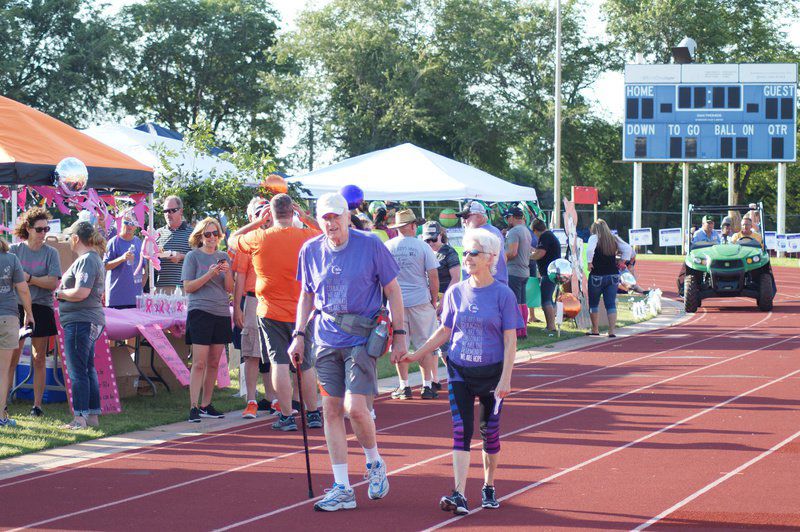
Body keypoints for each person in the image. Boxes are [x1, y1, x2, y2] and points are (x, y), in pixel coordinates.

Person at [290, 192, 407, 512]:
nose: (331, 223)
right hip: (326, 339)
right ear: (318, 220)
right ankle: (342, 487)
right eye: (325, 218)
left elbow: (393, 291)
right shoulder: (310, 250)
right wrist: (298, 335)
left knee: (355, 409)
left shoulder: (370, 244)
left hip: (361, 338)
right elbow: (306, 296)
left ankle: (374, 463)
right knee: (330, 410)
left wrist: (399, 335)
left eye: (336, 217)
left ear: (347, 216)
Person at [401, 228, 522, 515]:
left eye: (473, 253)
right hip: (458, 371)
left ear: (491, 257)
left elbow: (510, 340)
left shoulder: (503, 295)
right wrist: (417, 354)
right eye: (465, 252)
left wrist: (506, 377)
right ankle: (458, 493)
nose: (467, 258)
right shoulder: (456, 292)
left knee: (489, 433)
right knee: (460, 431)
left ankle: (489, 486)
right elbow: (445, 330)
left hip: (492, 375)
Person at [229, 194, 323, 431]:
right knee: (306, 362)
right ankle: (312, 413)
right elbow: (327, 232)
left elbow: (232, 239)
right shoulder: (306, 235)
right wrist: (307, 217)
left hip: (270, 309)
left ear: (270, 213)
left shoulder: (259, 236)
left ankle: (287, 416)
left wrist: (258, 222)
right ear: (293, 212)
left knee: (279, 362)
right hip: (302, 310)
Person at [8, 207, 61, 417]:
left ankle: (37, 405)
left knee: (40, 358)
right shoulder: (14, 250)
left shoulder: (51, 252)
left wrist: (29, 279)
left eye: (46, 229)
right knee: (12, 356)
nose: (43, 233)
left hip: (41, 307)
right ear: (28, 229)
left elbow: (52, 283)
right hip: (17, 306)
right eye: (39, 229)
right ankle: (4, 402)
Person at [54, 221, 106, 430]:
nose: (68, 242)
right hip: (88, 319)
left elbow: (81, 292)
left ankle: (80, 418)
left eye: (69, 238)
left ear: (76, 238)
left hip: (80, 321)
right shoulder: (93, 259)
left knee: (78, 371)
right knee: (87, 369)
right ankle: (91, 415)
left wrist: (59, 293)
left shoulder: (86, 260)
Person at [182, 217, 234, 423]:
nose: (212, 238)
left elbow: (229, 288)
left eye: (215, 233)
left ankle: (206, 404)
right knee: (199, 362)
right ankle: (193, 406)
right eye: (208, 234)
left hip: (221, 312)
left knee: (214, 361)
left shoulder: (224, 257)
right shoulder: (193, 257)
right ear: (200, 236)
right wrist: (210, 274)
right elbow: (188, 287)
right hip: (200, 312)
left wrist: (227, 273)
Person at [385, 209, 440, 400]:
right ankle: (426, 385)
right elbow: (433, 275)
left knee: (399, 343)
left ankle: (404, 386)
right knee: (424, 343)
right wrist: (434, 298)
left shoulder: (388, 246)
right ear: (413, 226)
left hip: (396, 302)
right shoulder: (423, 247)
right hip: (420, 300)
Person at [231, 198, 277, 419]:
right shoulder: (248, 241)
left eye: (267, 212)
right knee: (251, 353)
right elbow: (240, 277)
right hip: (252, 300)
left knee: (273, 354)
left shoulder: (279, 236)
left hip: (275, 300)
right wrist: (237, 307)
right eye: (260, 213)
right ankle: (251, 400)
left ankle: (274, 398)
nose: (265, 217)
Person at [0, 237, 34, 428]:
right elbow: (23, 290)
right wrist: (29, 314)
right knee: (3, 372)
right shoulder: (11, 259)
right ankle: (1, 417)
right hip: (8, 317)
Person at [586, 219, 632, 338]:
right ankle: (611, 331)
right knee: (611, 304)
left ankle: (595, 329)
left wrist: (589, 262)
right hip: (613, 275)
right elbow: (628, 249)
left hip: (597, 275)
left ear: (594, 229)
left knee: (593, 304)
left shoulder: (594, 238)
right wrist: (623, 260)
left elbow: (590, 249)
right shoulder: (613, 238)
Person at [423, 220, 460, 369]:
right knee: (433, 339)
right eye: (427, 240)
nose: (431, 242)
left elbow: (456, 278)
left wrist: (444, 301)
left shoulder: (449, 252)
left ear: (441, 235)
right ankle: (438, 378)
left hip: (446, 299)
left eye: (433, 239)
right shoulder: (425, 251)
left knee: (445, 337)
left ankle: (454, 372)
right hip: (429, 301)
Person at [457, 201, 508, 284]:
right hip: (495, 284)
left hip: (485, 286)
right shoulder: (494, 231)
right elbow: (504, 258)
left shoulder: (480, 234)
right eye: (462, 217)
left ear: (479, 217)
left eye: (466, 216)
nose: (463, 221)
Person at [103, 212, 145, 309]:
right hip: (116, 299)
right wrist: (122, 258)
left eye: (133, 224)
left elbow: (144, 267)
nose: (130, 227)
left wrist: (140, 286)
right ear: (120, 223)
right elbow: (105, 265)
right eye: (127, 223)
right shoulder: (113, 242)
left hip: (135, 299)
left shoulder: (139, 242)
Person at [503, 207, 532, 340]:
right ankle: (523, 330)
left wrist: (499, 256)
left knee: (515, 303)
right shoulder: (526, 230)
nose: (506, 220)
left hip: (514, 271)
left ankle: (518, 331)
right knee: (522, 302)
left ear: (512, 217)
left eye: (507, 217)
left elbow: (513, 252)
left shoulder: (514, 231)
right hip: (524, 270)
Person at [155, 195, 192, 294]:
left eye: (172, 210)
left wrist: (182, 256)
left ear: (181, 211)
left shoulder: (192, 233)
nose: (168, 214)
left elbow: (201, 257)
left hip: (184, 289)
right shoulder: (157, 234)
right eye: (166, 211)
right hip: (161, 289)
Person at [530, 219, 560, 332]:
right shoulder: (549, 236)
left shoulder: (545, 237)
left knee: (546, 300)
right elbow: (541, 250)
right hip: (552, 273)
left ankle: (551, 326)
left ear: (535, 230)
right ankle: (551, 325)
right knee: (548, 300)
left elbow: (541, 253)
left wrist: (529, 257)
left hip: (548, 273)